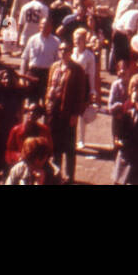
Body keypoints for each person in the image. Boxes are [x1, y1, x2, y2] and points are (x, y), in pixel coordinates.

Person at [44, 41, 90, 183]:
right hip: (53, 111)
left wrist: (75, 114)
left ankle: (69, 177)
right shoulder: (54, 67)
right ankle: (56, 175)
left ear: (71, 51)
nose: (63, 52)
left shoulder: (77, 69)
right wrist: (47, 104)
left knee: (69, 147)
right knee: (55, 145)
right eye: (61, 49)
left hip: (68, 112)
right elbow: (49, 86)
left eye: (66, 50)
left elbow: (81, 94)